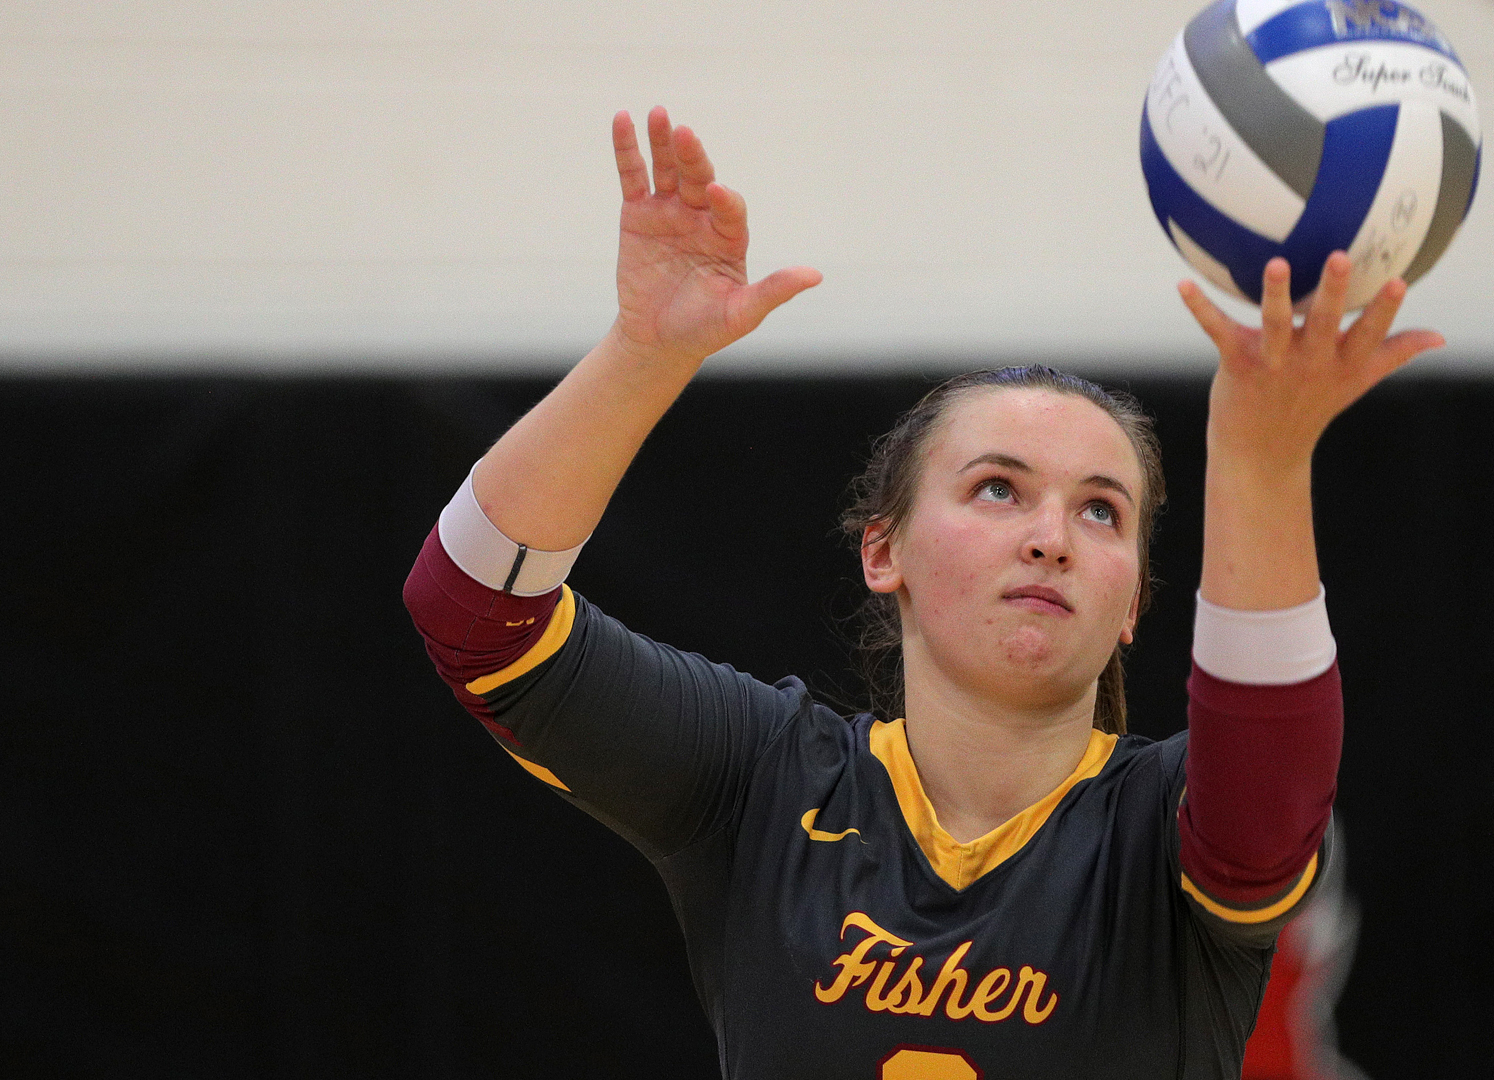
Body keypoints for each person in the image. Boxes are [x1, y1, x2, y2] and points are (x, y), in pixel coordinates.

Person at [403, 107, 1441, 1080]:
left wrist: (1262, 459)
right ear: (882, 550)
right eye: (999, 489)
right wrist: (644, 354)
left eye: (1099, 511)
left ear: (1132, 607)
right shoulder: (764, 782)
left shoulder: (1165, 830)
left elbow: (1269, 799)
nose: (1050, 539)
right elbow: (474, 617)